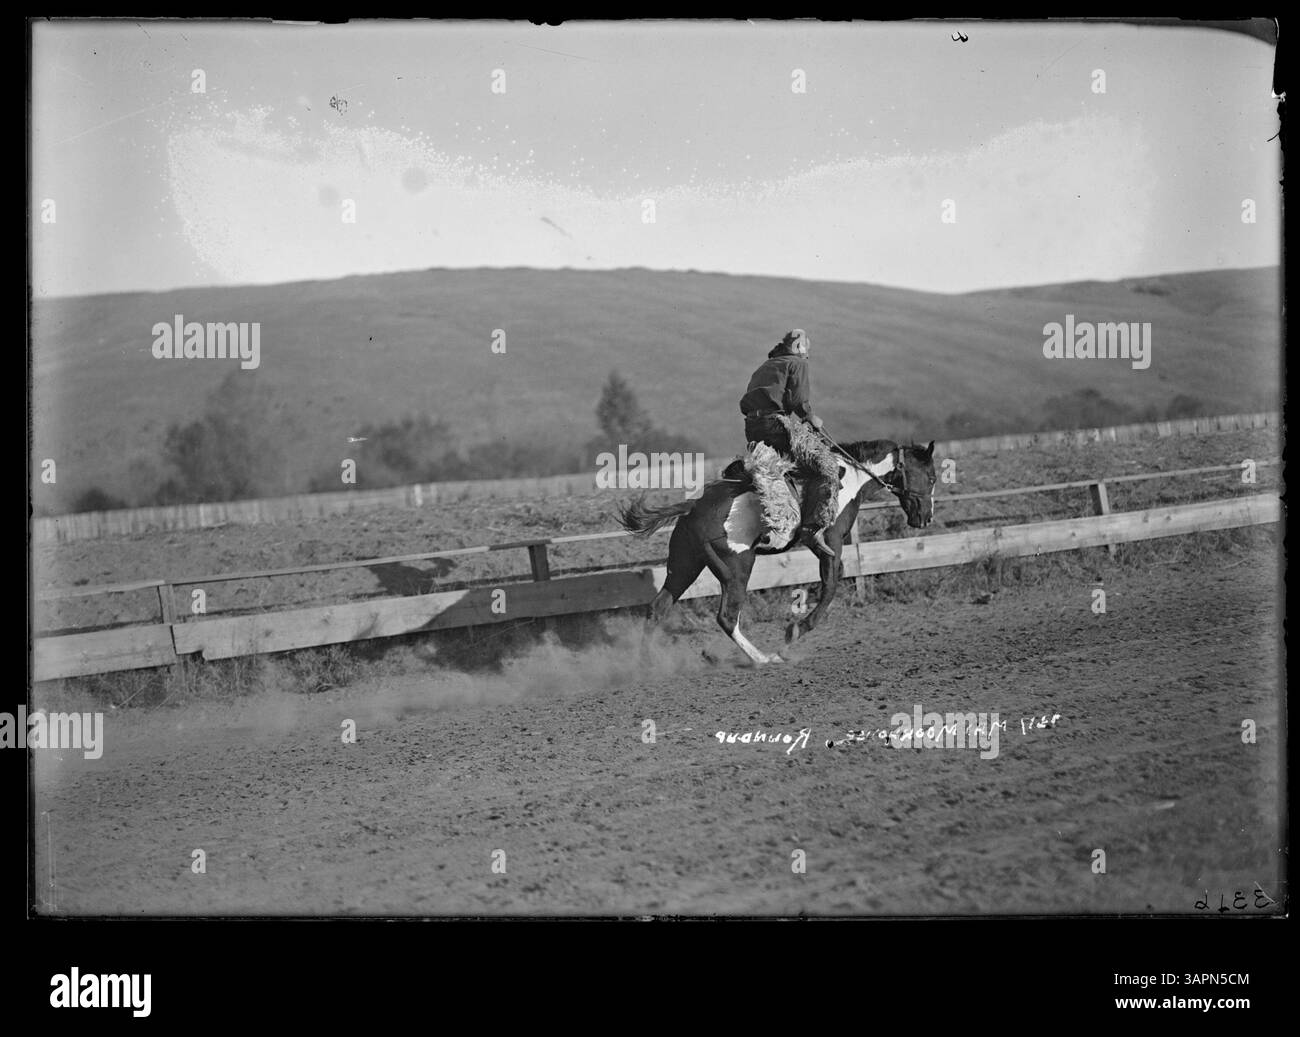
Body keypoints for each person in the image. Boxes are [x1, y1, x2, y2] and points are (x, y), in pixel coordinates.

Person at [738, 329, 841, 559]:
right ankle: (813, 528)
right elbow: (797, 400)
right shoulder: (797, 363)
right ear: (799, 348)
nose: (807, 355)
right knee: (827, 465)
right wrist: (810, 417)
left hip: (753, 427)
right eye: (806, 350)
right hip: (775, 425)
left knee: (772, 469)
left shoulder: (767, 366)